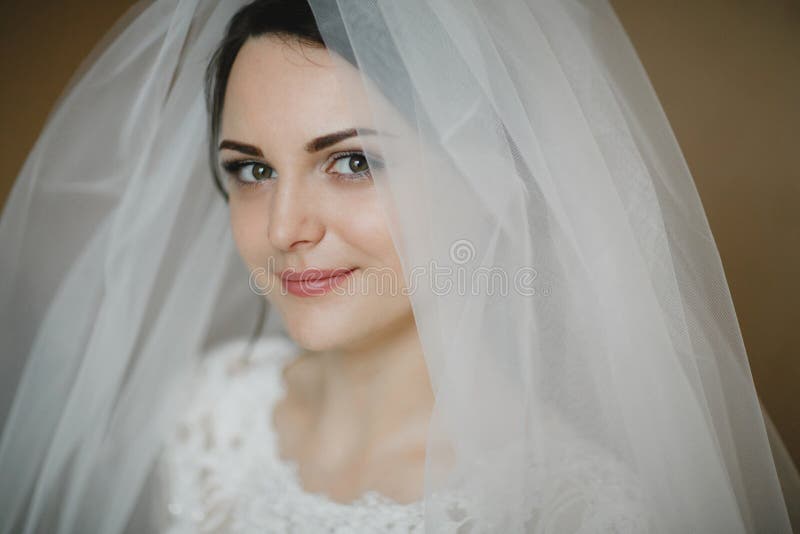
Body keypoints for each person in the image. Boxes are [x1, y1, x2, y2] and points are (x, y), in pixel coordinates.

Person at [0, 1, 796, 533]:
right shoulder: (207, 411)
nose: (284, 228)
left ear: (489, 185)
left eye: (350, 162)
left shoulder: (572, 509)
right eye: (251, 170)